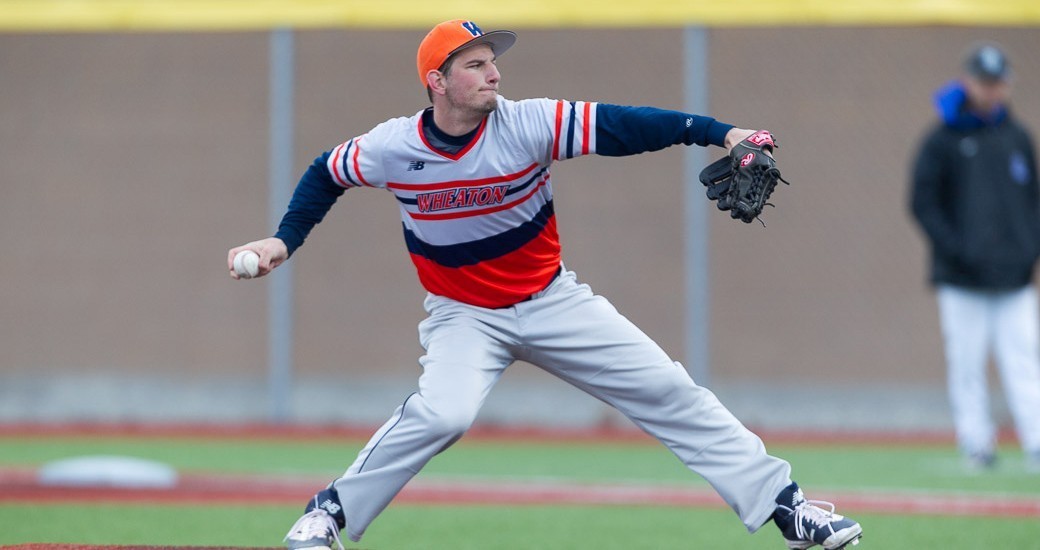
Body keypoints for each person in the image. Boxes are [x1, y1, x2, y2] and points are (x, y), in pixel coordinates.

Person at [228, 19, 863, 549]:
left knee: (669, 389)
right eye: (475, 64)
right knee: (444, 413)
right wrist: (283, 240)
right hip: (463, 314)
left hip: (551, 300)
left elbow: (626, 124)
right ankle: (328, 514)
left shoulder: (527, 123)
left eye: (492, 62)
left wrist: (724, 133)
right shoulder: (393, 146)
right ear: (437, 82)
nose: (493, 73)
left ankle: (790, 509)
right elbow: (326, 173)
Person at [910, 41, 1040, 472]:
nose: (992, 89)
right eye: (984, 81)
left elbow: (1032, 201)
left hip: (1015, 277)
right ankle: (976, 442)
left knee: (1023, 359)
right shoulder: (942, 140)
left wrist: (1029, 249)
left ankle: (1036, 441)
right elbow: (923, 203)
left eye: (998, 82)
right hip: (962, 277)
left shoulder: (1017, 137)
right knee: (967, 362)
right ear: (968, 82)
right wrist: (958, 250)